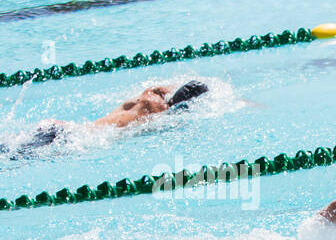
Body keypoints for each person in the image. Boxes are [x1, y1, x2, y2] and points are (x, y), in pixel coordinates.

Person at [2, 80, 209, 155]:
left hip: (63, 127)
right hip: (72, 137)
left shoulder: (148, 96)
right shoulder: (159, 111)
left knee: (10, 145)